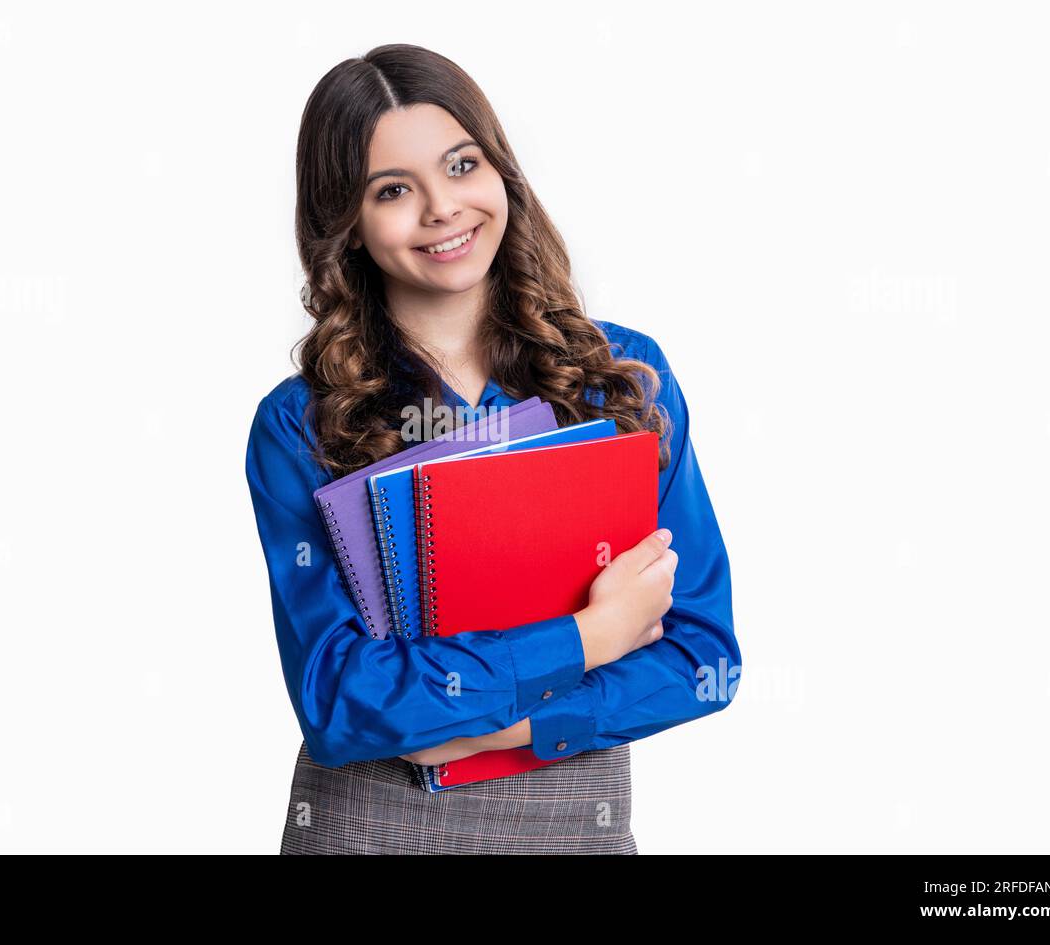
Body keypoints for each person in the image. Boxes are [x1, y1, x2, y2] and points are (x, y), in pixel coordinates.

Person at [244, 43, 741, 854]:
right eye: (395, 190)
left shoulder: (623, 384)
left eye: (461, 164)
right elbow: (338, 702)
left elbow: (701, 654)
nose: (443, 208)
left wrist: (489, 728)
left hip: (574, 825)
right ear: (348, 224)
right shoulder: (301, 423)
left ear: (501, 171)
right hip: (373, 828)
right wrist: (590, 637)